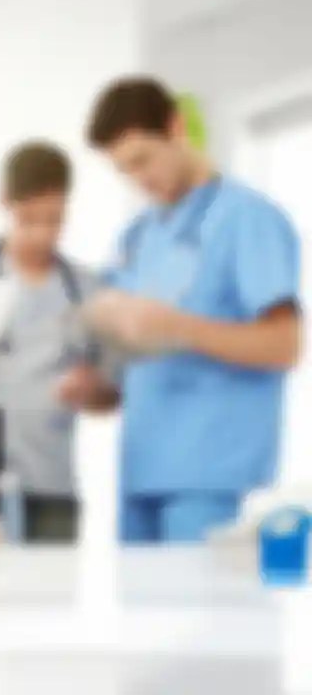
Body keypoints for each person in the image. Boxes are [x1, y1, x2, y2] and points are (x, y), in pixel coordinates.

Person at [73, 76, 302, 543]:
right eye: (123, 170)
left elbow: (286, 344)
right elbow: (125, 370)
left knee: (200, 593)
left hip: (214, 475)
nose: (138, 179)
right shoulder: (137, 236)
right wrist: (93, 388)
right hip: (141, 473)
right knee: (138, 596)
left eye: (142, 160)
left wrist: (177, 326)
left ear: (176, 128)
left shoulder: (246, 218)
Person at [0, 141, 119, 543]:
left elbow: (110, 396)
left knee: (52, 584)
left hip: (51, 484)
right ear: (3, 202)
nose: (42, 234)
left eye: (54, 220)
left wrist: (92, 389)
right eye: (28, 220)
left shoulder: (89, 291)